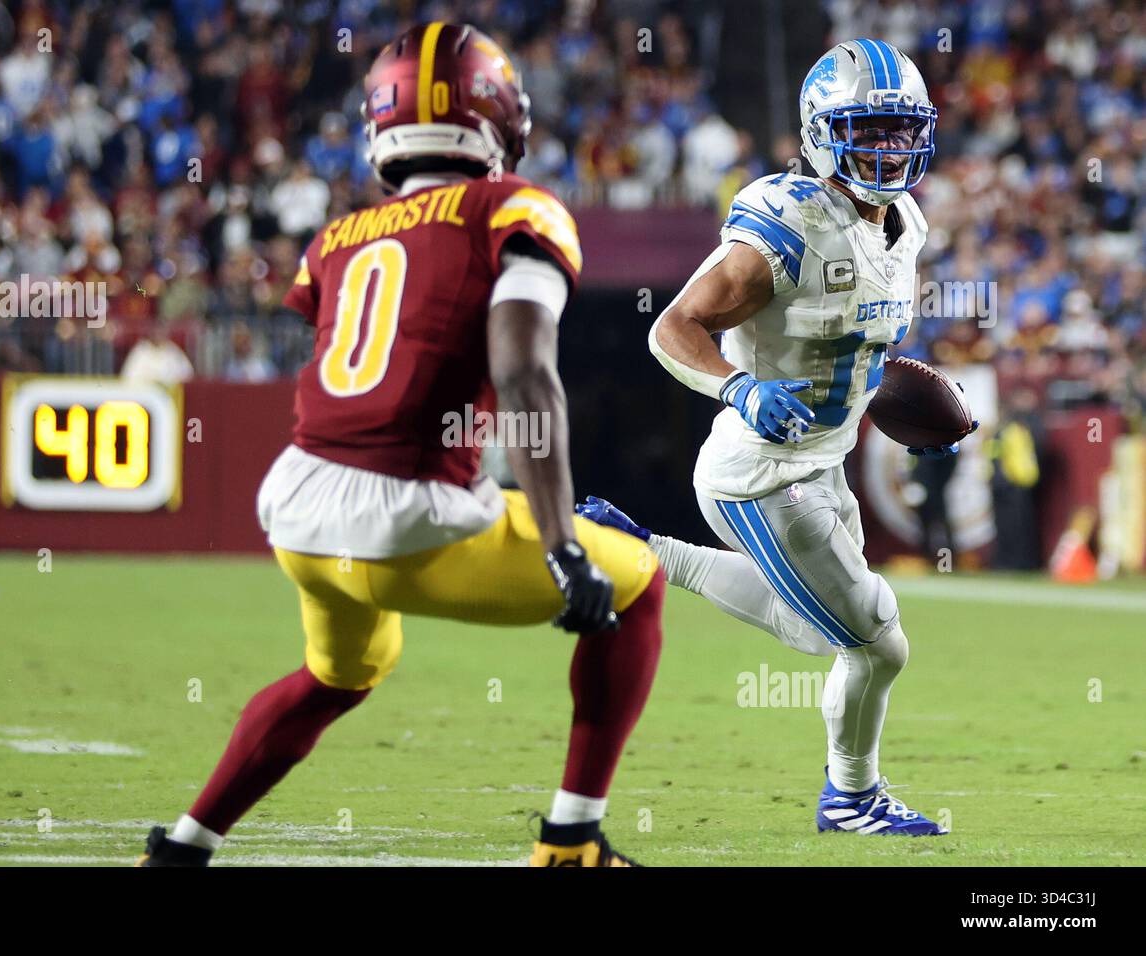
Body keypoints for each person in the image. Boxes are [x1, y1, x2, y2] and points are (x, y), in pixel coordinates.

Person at [139, 22, 664, 867]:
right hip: (409, 512)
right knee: (637, 587)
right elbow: (527, 376)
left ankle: (180, 852)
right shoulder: (514, 208)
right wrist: (564, 546)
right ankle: (571, 846)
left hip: (299, 508)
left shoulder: (335, 239)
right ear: (496, 117)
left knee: (338, 674)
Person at [579, 40, 971, 836]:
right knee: (875, 642)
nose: (890, 149)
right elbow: (673, 326)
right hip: (762, 472)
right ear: (822, 131)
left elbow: (853, 347)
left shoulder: (906, 225)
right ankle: (851, 800)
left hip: (822, 464)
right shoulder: (788, 224)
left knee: (813, 627)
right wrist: (739, 386)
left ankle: (643, 551)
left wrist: (900, 411)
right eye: (870, 129)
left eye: (902, 131)